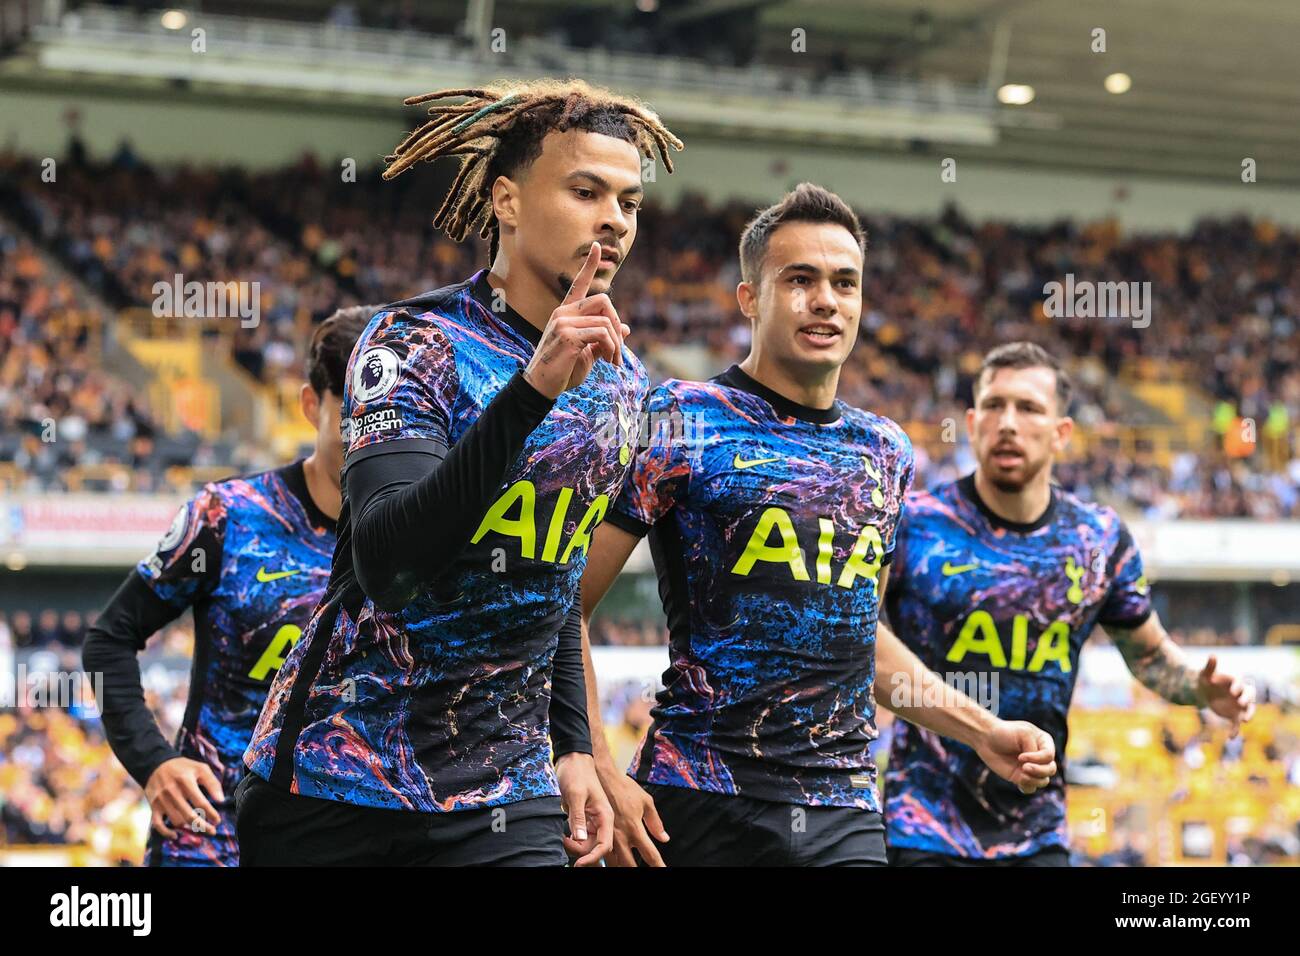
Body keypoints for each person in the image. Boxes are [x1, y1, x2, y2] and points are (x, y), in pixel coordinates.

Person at [238, 79, 684, 867]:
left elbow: (554, 586)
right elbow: (391, 568)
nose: (614, 219)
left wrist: (577, 745)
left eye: (630, 201)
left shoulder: (622, 384)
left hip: (504, 800)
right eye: (585, 191)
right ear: (506, 200)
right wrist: (533, 393)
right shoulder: (411, 344)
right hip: (337, 784)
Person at [577, 184, 1056, 866]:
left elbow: (860, 639)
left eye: (844, 282)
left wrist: (981, 730)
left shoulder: (885, 451)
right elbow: (566, 602)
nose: (825, 300)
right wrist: (596, 759)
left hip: (843, 810)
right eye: (799, 279)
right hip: (698, 798)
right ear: (751, 298)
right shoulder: (678, 416)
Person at [884, 341, 1256, 866]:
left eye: (1029, 408)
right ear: (970, 423)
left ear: (1063, 433)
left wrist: (1197, 686)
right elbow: (860, 641)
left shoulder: (1098, 539)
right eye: (994, 405)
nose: (1007, 423)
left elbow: (1148, 655)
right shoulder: (913, 524)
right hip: (923, 825)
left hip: (1039, 831)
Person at [81, 305, 371, 865]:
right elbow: (108, 640)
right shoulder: (226, 517)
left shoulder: (424, 533)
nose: (374, 435)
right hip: (213, 836)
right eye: (354, 410)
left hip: (349, 840)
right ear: (313, 405)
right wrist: (153, 762)